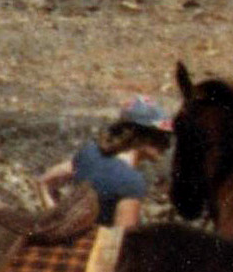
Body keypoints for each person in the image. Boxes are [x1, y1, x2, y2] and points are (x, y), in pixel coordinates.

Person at [40, 95, 172, 226]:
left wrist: (56, 221)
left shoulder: (89, 152)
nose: (168, 145)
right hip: (99, 245)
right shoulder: (131, 182)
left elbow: (44, 183)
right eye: (162, 137)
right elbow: (122, 238)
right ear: (140, 136)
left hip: (72, 240)